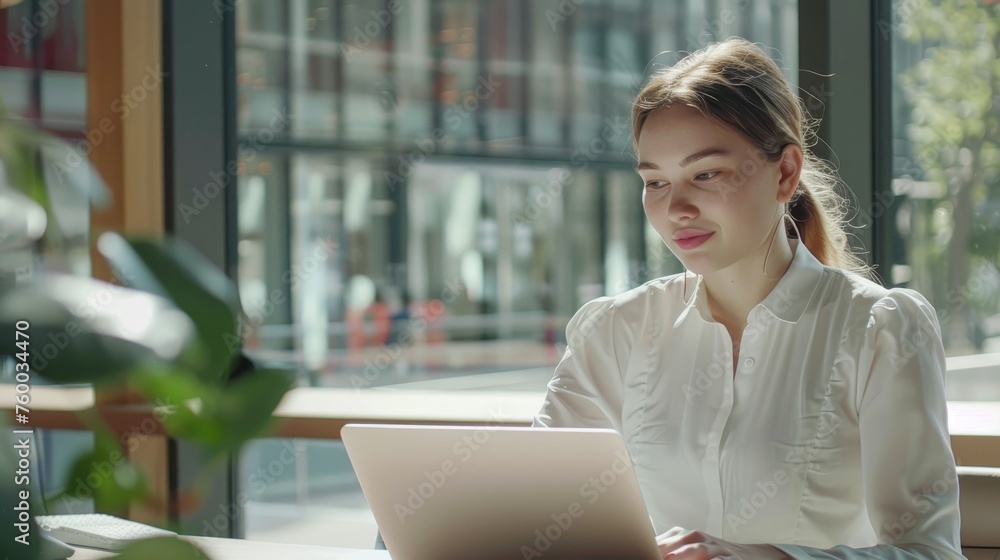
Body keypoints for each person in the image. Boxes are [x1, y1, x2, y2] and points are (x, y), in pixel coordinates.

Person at [533, 37, 963, 559]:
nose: (677, 209)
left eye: (705, 174)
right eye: (656, 182)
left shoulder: (880, 329)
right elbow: (535, 518)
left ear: (785, 172)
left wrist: (755, 556)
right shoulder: (613, 332)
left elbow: (931, 553)